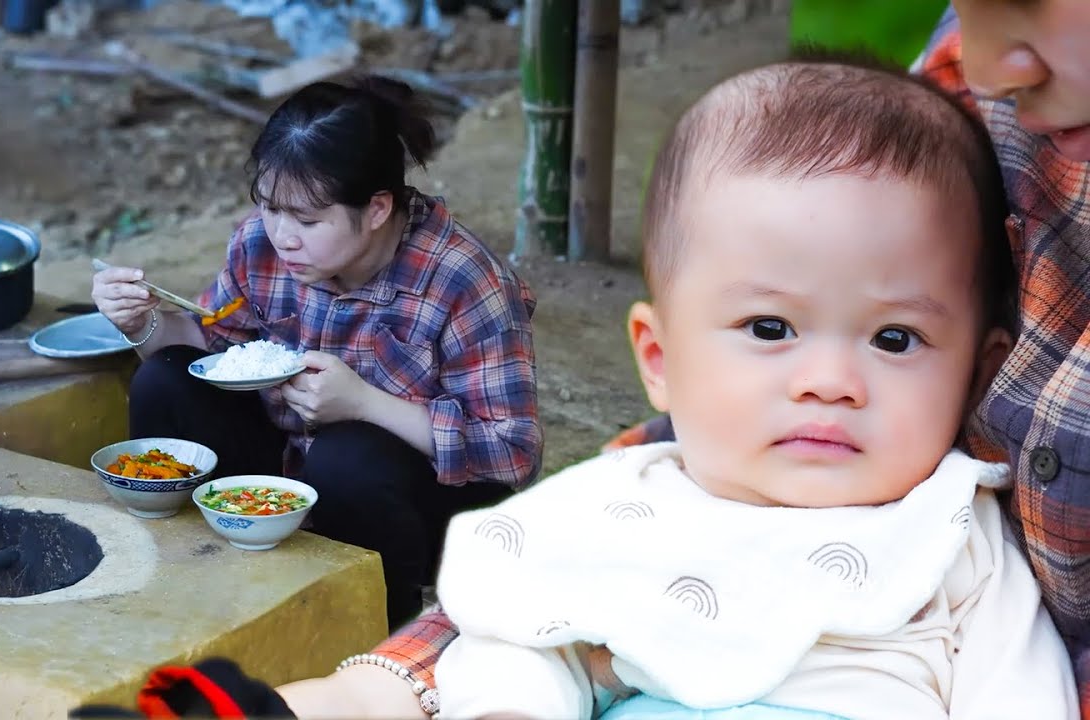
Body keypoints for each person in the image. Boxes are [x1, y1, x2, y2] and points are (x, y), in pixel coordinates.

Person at [275, 1, 1090, 714]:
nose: (830, 384)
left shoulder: (958, 543)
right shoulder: (618, 504)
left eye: (894, 340)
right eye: (770, 329)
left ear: (982, 372)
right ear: (659, 360)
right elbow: (526, 646)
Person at [91, 76, 543, 629]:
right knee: (165, 378)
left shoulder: (462, 279)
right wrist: (142, 325)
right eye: (270, 209)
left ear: (377, 208)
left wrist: (363, 404)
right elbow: (214, 353)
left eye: (307, 220)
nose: (284, 237)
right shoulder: (260, 243)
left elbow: (513, 452)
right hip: (289, 466)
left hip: (421, 506)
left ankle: (377, 637)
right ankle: (189, 590)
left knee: (348, 456)